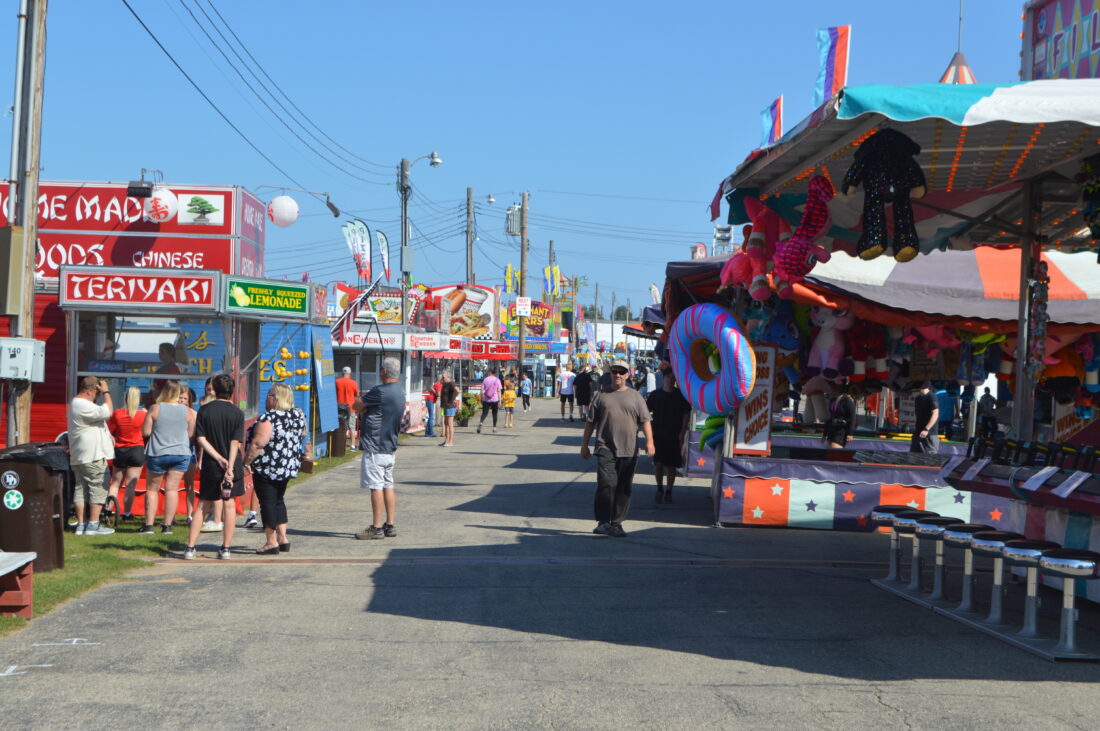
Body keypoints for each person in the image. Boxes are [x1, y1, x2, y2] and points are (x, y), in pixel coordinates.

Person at [580, 358, 655, 537]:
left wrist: (650, 442)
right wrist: (584, 445)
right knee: (607, 483)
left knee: (624, 487)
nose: (618, 375)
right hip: (605, 447)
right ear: (610, 373)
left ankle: (617, 522)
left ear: (627, 374)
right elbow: (590, 423)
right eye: (615, 371)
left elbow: (645, 421)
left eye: (622, 372)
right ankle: (603, 521)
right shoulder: (601, 395)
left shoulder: (635, 396)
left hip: (629, 449)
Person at [183, 374, 245, 560]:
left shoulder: (204, 410)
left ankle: (190, 547)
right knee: (230, 504)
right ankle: (225, 548)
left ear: (214, 389)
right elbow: (235, 443)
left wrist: (218, 458)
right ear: (232, 391)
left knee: (203, 504)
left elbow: (200, 439)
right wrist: (230, 466)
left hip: (211, 463)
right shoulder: (237, 413)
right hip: (232, 464)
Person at [243, 383, 305, 554]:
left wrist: (246, 462)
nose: (266, 397)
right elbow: (303, 434)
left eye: (269, 394)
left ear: (276, 398)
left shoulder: (268, 418)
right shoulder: (296, 416)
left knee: (267, 503)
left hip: (267, 467)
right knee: (279, 499)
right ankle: (283, 538)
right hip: (287, 466)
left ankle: (271, 542)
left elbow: (258, 443)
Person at [354, 356, 405, 540]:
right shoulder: (399, 391)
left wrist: (363, 406)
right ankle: (389, 524)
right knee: (388, 485)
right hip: (389, 446)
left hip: (375, 446)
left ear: (384, 371)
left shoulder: (379, 391)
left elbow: (356, 405)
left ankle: (376, 527)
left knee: (375, 487)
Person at [139, 381, 195, 534]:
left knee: (152, 489)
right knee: (172, 489)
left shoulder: (155, 408)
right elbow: (190, 434)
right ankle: (167, 526)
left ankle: (149, 525)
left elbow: (146, 432)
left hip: (158, 452)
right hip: (181, 453)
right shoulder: (187, 411)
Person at [68, 377, 116, 536]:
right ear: (89, 391)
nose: (97, 397)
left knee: (81, 489)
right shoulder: (82, 404)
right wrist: (107, 392)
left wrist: (108, 435)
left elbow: (98, 420)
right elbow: (108, 412)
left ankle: (81, 525)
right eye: (96, 394)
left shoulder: (76, 404)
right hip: (92, 454)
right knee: (98, 487)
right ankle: (93, 525)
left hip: (80, 455)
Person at [646, 369, 691, 503]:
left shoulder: (680, 396)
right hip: (658, 434)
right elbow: (645, 413)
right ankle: (659, 488)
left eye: (673, 378)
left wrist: (682, 432)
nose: (671, 380)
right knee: (658, 464)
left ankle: (669, 491)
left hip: (674, 435)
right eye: (669, 377)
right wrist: (648, 432)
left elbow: (686, 414)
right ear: (664, 378)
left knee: (672, 465)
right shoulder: (655, 395)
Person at [107, 386, 146, 520]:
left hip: (120, 450)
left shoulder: (118, 413)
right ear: (139, 399)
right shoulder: (143, 415)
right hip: (137, 450)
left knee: (115, 483)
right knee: (130, 485)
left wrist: (113, 439)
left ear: (125, 398)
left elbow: (109, 429)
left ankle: (107, 510)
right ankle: (127, 513)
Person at [823, 381, 857, 449]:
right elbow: (830, 417)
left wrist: (850, 433)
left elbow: (852, 417)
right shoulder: (833, 399)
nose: (830, 388)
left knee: (834, 450)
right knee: (830, 449)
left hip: (840, 430)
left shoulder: (847, 400)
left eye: (833, 386)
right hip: (831, 430)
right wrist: (825, 434)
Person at [910, 381, 940, 454]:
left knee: (929, 457)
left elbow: (935, 414)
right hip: (918, 433)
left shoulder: (932, 397)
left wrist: (927, 429)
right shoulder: (918, 398)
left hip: (929, 434)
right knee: (914, 456)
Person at [336, 366, 360, 450]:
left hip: (339, 407)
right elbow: (357, 395)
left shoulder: (337, 382)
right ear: (349, 374)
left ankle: (340, 444)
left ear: (342, 373)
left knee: (341, 426)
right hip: (350, 408)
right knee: (352, 427)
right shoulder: (353, 382)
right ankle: (352, 445)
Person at [438, 370, 460, 447]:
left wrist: (453, 397)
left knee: (450, 423)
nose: (443, 379)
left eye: (444, 377)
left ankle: (451, 441)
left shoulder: (451, 383)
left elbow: (457, 390)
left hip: (450, 405)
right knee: (446, 423)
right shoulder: (445, 384)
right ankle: (446, 440)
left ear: (448, 377)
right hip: (445, 405)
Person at [477, 367, 502, 434]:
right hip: (495, 399)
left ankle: (481, 423)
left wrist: (481, 397)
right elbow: (499, 391)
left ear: (490, 372)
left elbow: (482, 390)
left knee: (484, 413)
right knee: (494, 413)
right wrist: (500, 400)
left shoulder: (485, 380)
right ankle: (494, 428)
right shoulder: (497, 380)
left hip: (486, 399)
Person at [424, 374, 442, 438]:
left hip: (430, 400)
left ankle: (427, 432)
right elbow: (439, 394)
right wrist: (434, 390)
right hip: (430, 400)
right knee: (431, 417)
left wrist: (432, 389)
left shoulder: (436, 384)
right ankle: (430, 432)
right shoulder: (439, 384)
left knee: (430, 417)